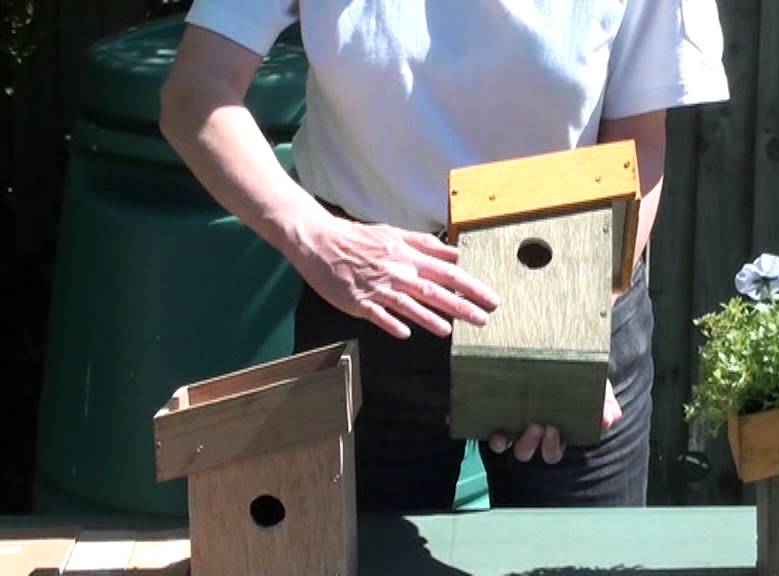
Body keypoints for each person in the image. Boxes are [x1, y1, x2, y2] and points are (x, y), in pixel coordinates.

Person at [160, 0, 729, 510]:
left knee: (573, 557)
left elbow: (638, 140)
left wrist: (576, 319)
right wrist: (318, 239)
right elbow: (197, 92)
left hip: (573, 288)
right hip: (372, 303)